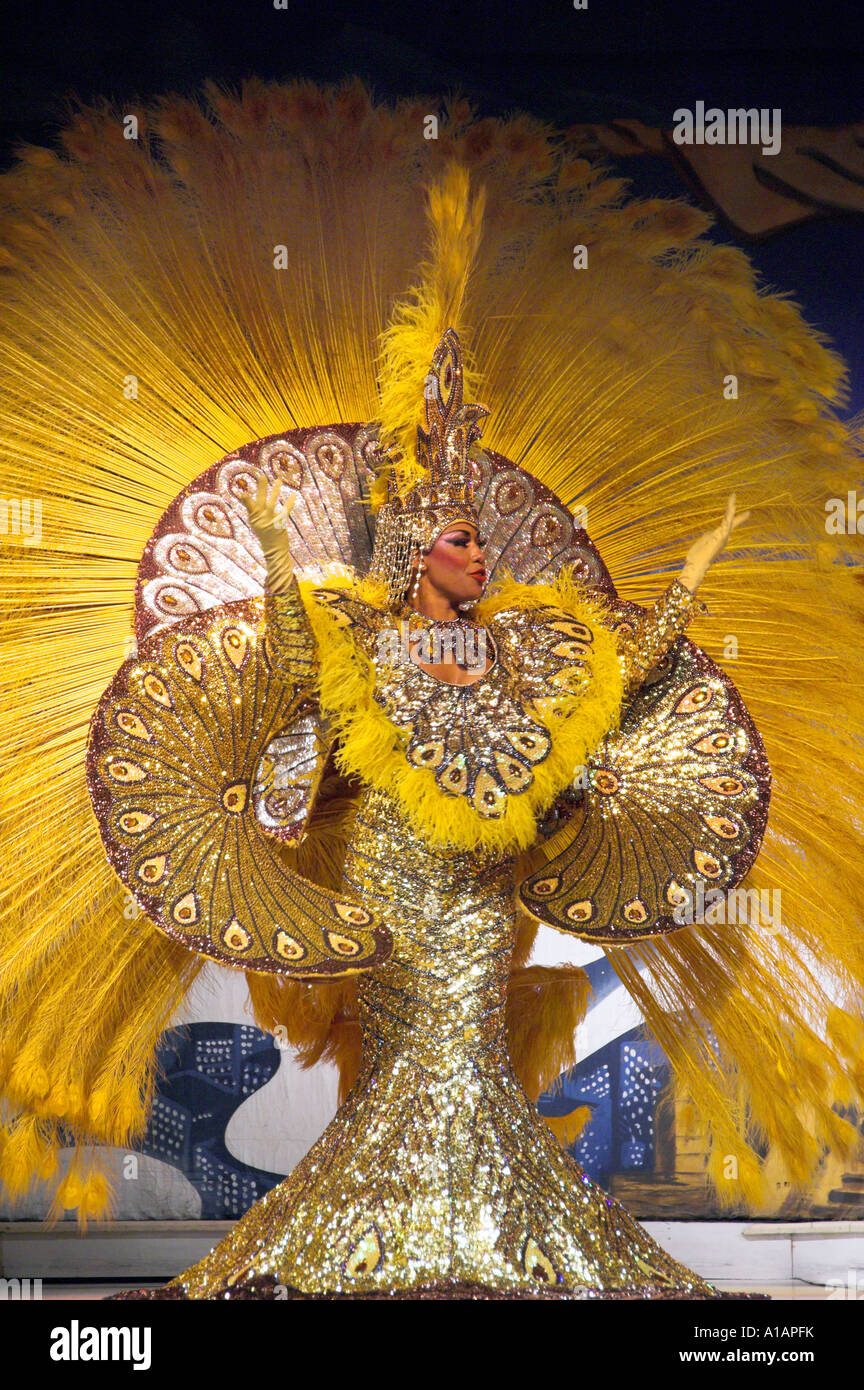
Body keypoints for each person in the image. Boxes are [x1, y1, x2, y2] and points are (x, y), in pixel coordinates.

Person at [110, 328, 754, 1299]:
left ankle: (482, 1230)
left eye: (483, 540)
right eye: (462, 539)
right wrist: (277, 550)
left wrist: (691, 582)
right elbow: (296, 668)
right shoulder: (364, 639)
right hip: (396, 873)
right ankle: (379, 1233)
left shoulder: (522, 651)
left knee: (473, 1054)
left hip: (486, 887)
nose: (480, 554)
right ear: (417, 552)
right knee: (408, 1055)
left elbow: (610, 695)